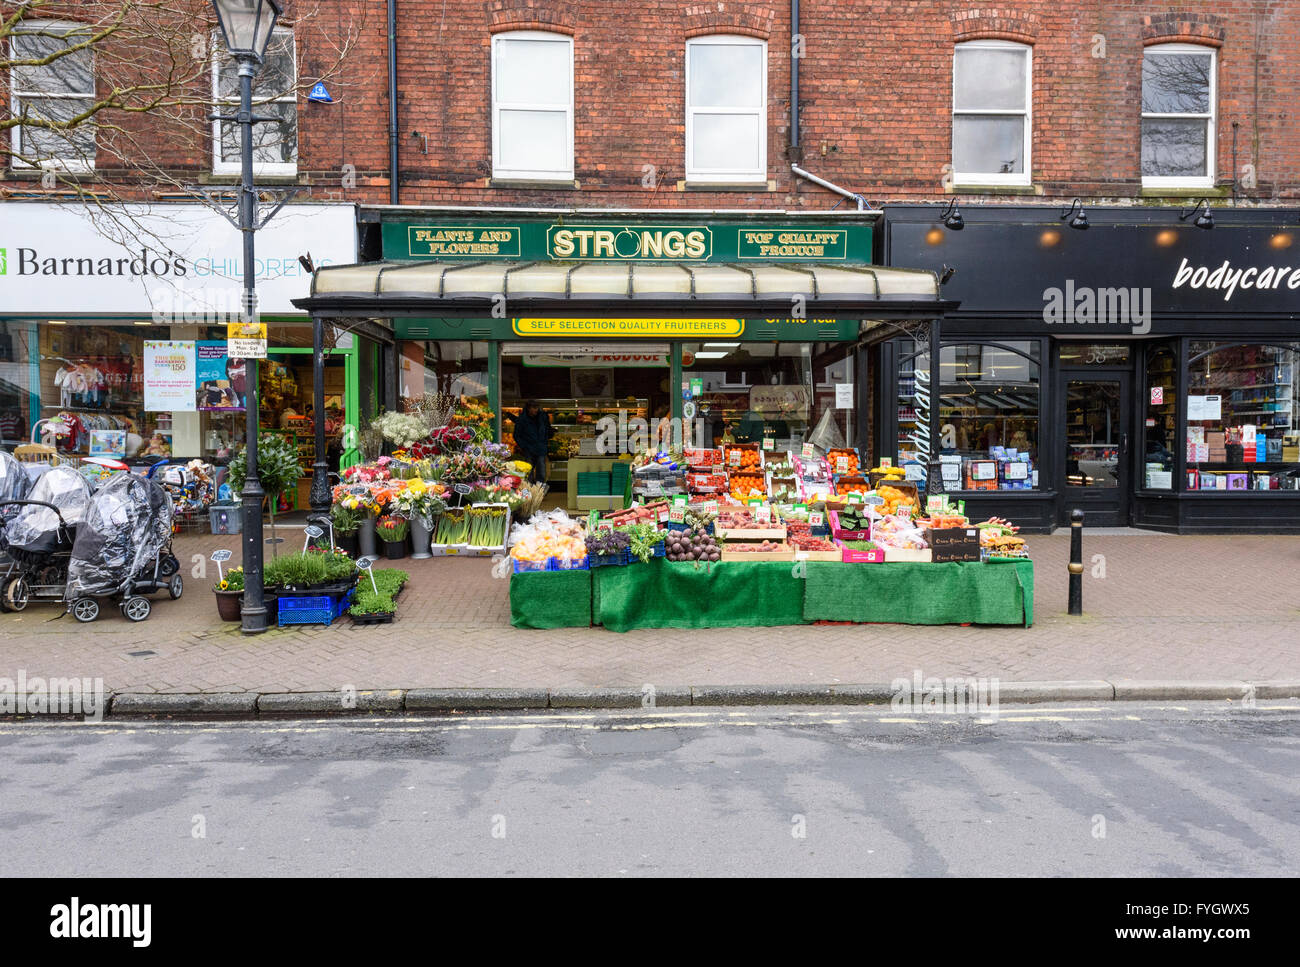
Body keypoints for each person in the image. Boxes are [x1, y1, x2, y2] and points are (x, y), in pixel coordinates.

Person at [510, 400, 554, 484]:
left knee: (541, 473)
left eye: (537, 408)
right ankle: (529, 492)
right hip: (529, 450)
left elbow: (547, 429)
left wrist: (546, 440)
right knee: (528, 473)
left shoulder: (543, 417)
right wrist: (524, 446)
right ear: (528, 408)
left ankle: (539, 491)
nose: (536, 410)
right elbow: (516, 435)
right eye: (534, 408)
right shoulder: (522, 419)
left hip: (541, 449)